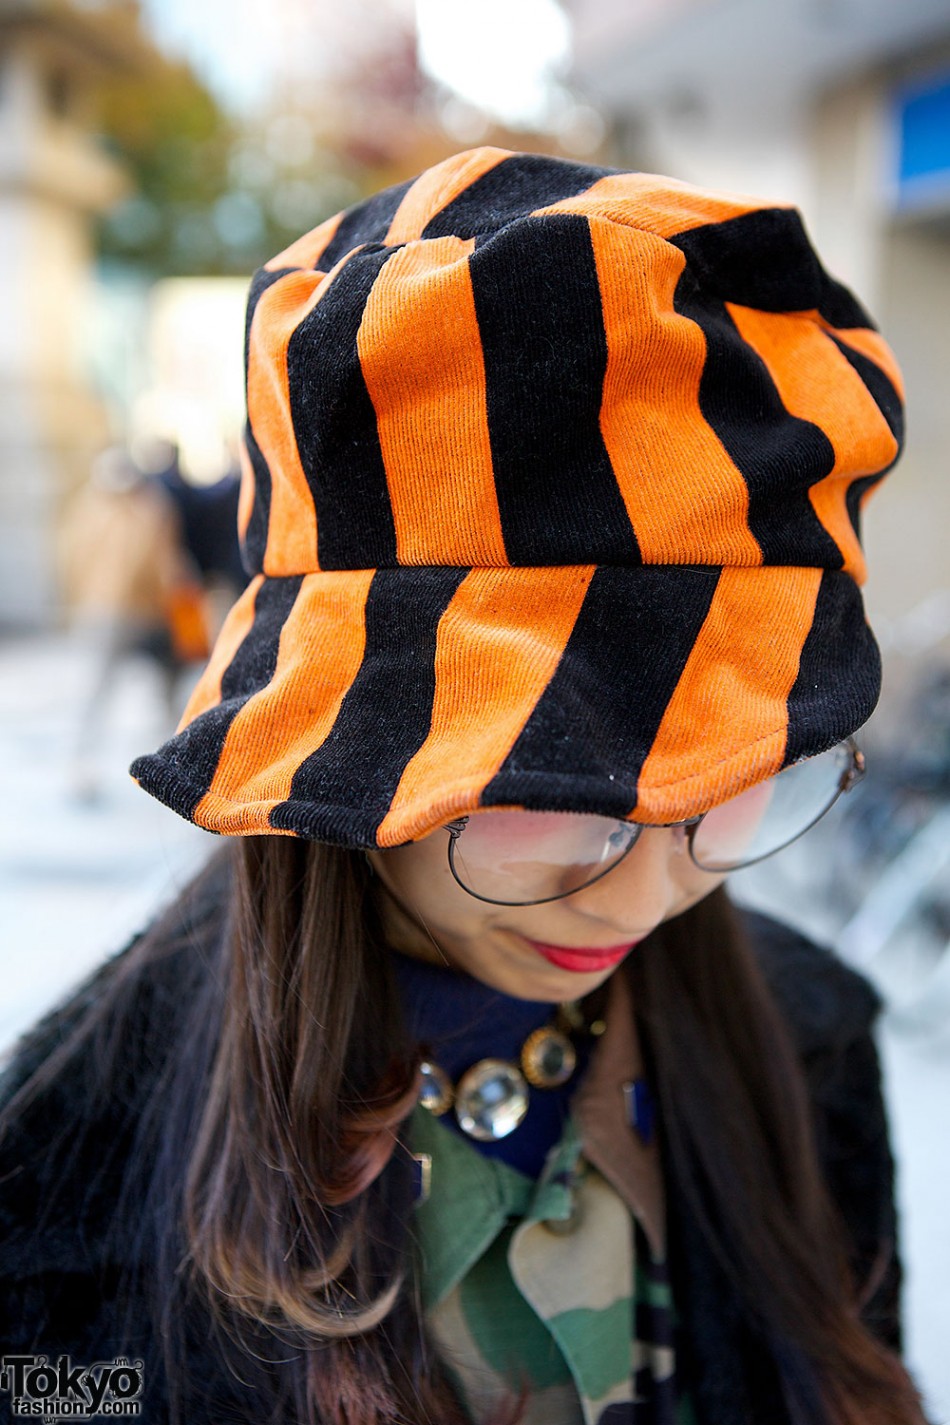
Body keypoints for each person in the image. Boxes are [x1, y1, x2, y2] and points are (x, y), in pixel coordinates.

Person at [0, 147, 926, 1425]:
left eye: (733, 774)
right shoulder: (60, 1164)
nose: (646, 896)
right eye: (568, 788)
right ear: (351, 747)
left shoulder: (804, 1039)